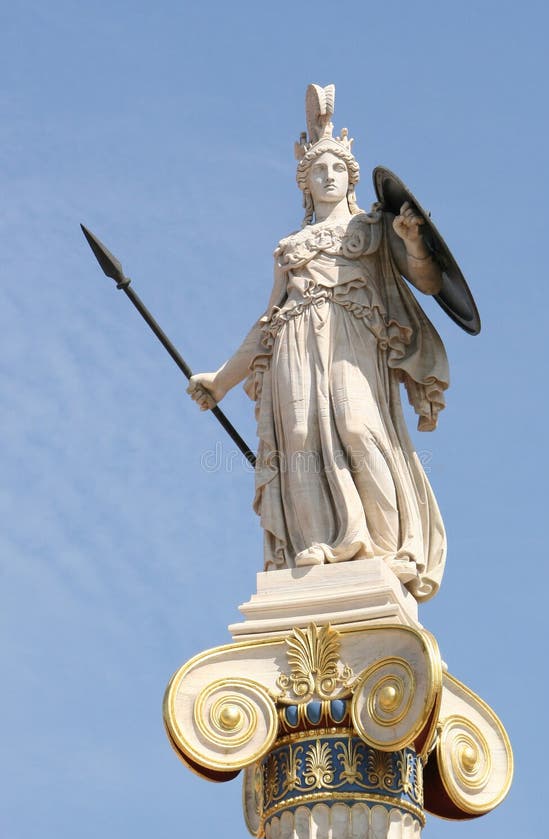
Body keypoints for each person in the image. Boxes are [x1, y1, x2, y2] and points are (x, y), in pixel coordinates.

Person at [188, 85, 449, 601]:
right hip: (293, 343)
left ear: (349, 178)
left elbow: (428, 280)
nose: (327, 176)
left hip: (352, 335)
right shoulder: (291, 248)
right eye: (316, 171)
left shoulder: (372, 229)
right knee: (300, 435)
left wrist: (414, 239)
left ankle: (384, 544)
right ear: (305, 185)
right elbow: (267, 322)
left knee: (357, 424)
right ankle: (316, 543)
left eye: (336, 169)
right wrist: (221, 380)